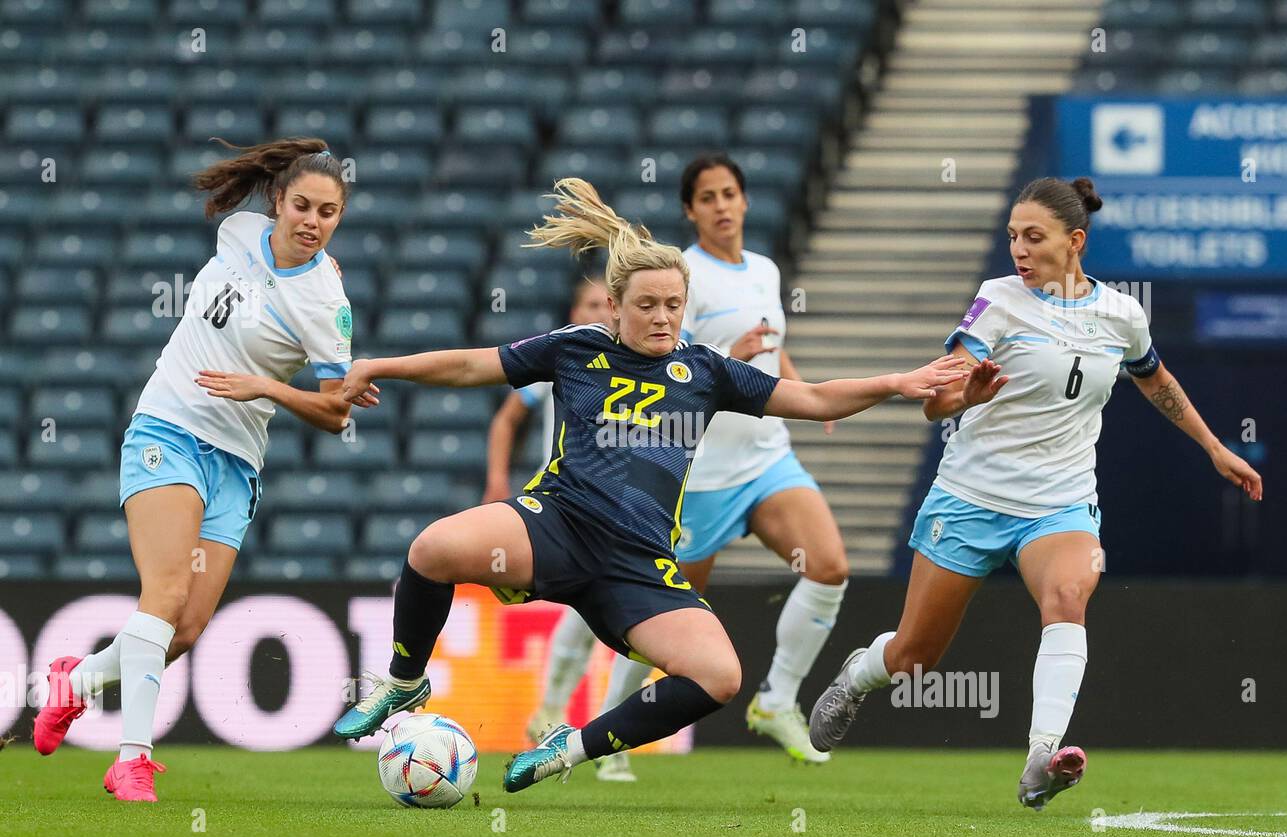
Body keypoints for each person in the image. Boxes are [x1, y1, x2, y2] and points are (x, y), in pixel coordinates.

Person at [329, 178, 966, 795]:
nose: (662, 318)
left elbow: (812, 396)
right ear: (614, 306)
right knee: (431, 549)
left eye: (673, 305)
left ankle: (570, 747)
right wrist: (382, 365)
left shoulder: (707, 370)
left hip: (637, 564)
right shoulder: (575, 349)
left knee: (719, 676)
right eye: (647, 305)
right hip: (557, 523)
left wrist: (896, 383)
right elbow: (474, 364)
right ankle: (405, 679)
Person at [807, 177, 1263, 810]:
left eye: (1034, 237)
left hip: (1061, 501)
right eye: (1013, 237)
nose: (1019, 250)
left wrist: (1213, 446)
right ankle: (859, 674)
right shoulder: (997, 301)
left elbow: (1154, 378)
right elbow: (935, 402)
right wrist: (963, 396)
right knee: (916, 656)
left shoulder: (1122, 314)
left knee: (1069, 596)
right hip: (970, 495)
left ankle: (1042, 758)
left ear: (1075, 242)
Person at [31, 138, 376, 802]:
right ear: (277, 201)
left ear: (339, 219)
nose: (311, 221)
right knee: (161, 596)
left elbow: (336, 414)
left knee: (183, 630)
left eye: (328, 213)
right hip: (169, 429)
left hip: (238, 460)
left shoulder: (326, 303)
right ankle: (132, 760)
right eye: (301, 205)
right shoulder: (238, 230)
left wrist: (269, 388)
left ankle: (74, 683)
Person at [669, 152, 850, 764]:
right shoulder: (682, 277)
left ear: (745, 201)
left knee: (828, 567)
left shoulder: (766, 270)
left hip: (767, 458)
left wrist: (808, 396)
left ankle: (777, 698)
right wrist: (727, 351)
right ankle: (612, 735)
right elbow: (672, 372)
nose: (721, 206)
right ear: (690, 210)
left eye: (729, 194)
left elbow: (771, 352)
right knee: (671, 620)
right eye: (708, 197)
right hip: (702, 474)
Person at [484, 276, 643, 782]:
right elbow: (507, 418)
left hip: (631, 509)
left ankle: (566, 717)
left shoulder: (639, 363)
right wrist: (496, 479)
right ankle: (589, 727)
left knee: (600, 610)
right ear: (575, 311)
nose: (599, 313)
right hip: (563, 505)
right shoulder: (560, 357)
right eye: (589, 305)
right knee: (593, 607)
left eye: (605, 305)